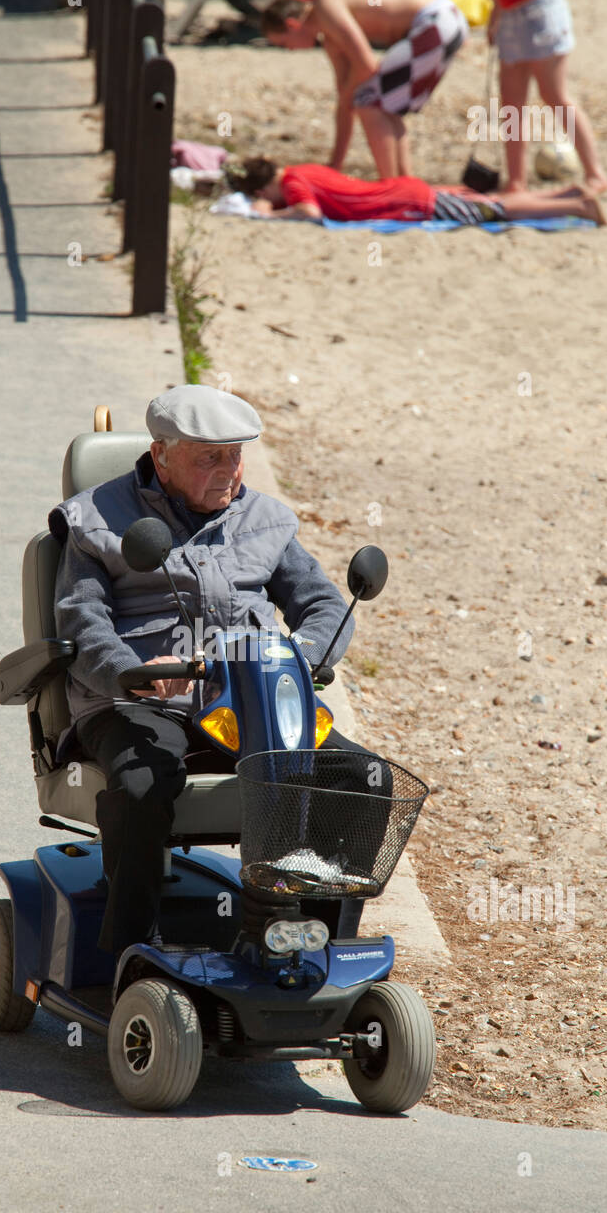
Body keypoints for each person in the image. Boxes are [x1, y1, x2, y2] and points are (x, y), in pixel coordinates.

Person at [48, 385, 388, 955]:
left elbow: (325, 605)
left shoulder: (264, 520)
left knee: (364, 780)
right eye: (210, 457)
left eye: (236, 455)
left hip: (251, 699)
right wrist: (133, 671)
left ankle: (314, 938)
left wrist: (301, 659)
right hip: (140, 703)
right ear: (160, 455)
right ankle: (128, 953)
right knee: (141, 785)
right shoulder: (94, 521)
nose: (228, 472)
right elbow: (81, 623)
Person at [261, 0, 469, 178]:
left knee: (369, 101)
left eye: (283, 43)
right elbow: (344, 103)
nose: (288, 50)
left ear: (292, 25)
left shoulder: (325, 7)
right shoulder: (330, 38)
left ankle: (392, 185)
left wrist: (350, 96)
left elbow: (367, 65)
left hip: (438, 21)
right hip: (445, 22)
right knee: (382, 104)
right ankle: (404, 182)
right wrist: (335, 164)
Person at [233, 154, 606, 224]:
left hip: (409, 203)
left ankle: (576, 208)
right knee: (489, 200)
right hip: (404, 190)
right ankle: (566, 195)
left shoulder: (292, 183)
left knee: (494, 211)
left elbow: (308, 213)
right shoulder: (302, 169)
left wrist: (269, 214)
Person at [488, 0, 607, 194]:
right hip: (509, 14)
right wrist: (495, 14)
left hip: (540, 11)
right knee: (511, 103)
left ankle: (595, 174)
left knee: (554, 94)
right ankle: (516, 182)